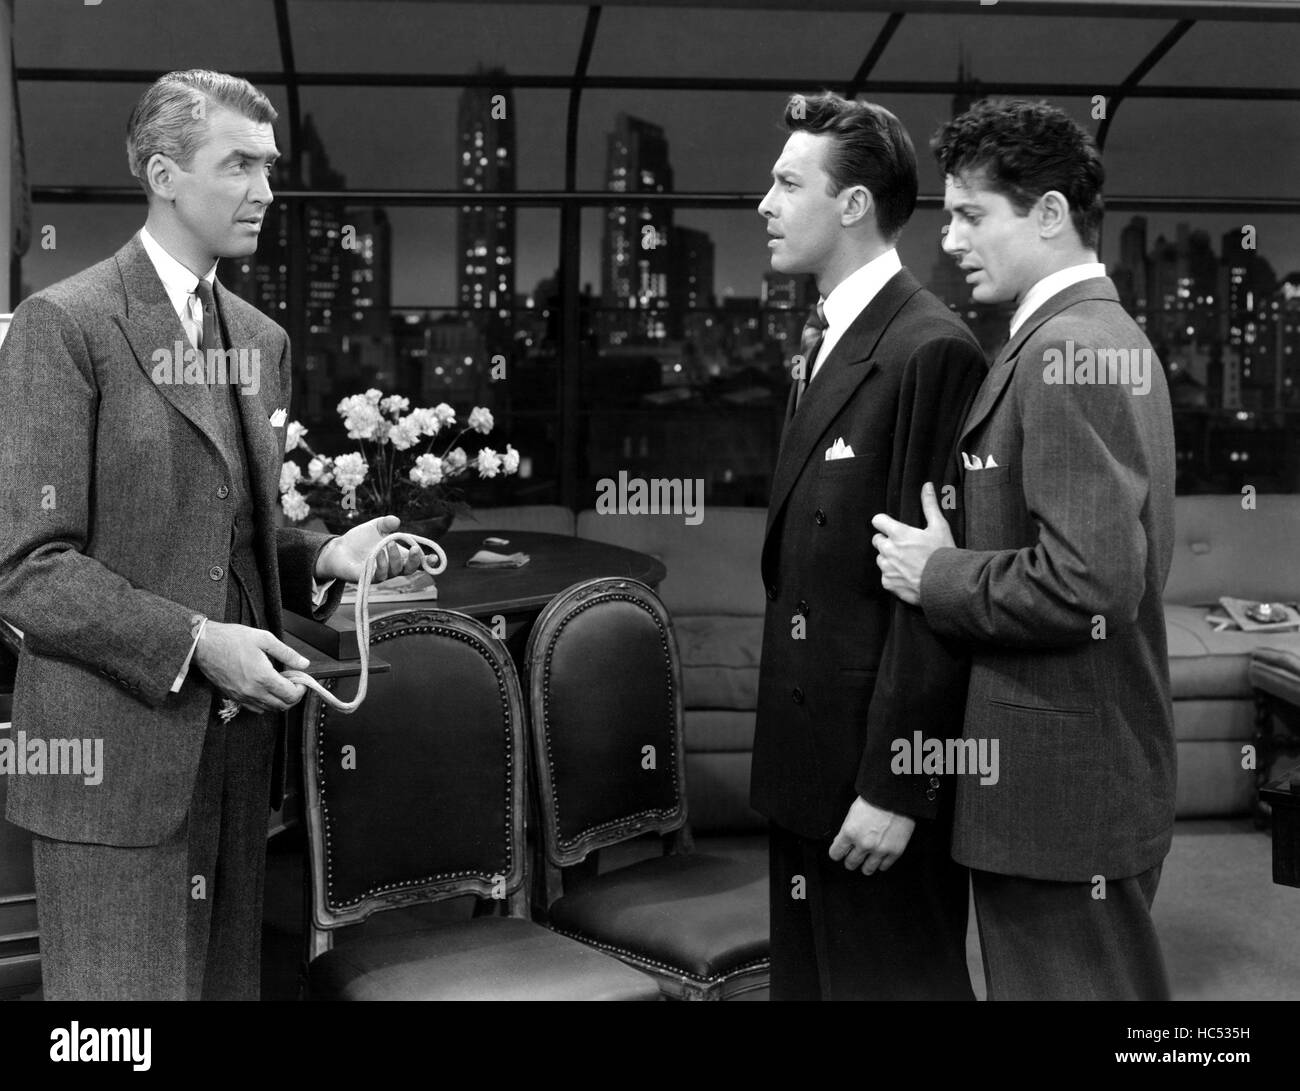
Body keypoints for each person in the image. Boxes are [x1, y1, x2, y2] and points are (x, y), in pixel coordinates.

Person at [0, 69, 425, 1000]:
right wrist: (197, 643)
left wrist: (323, 555)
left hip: (236, 763)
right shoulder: (63, 326)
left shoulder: (258, 339)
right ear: (162, 172)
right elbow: (30, 569)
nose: (266, 191)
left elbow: (234, 525)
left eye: (268, 168)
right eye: (240, 165)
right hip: (116, 766)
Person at [871, 98, 1176, 1000]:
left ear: (1047, 214)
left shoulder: (1066, 349)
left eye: (972, 214)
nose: (953, 239)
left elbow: (1091, 582)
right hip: (1074, 778)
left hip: (1061, 794)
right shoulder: (1083, 337)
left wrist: (938, 574)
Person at [749, 92, 986, 1000]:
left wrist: (898, 785)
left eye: (785, 183)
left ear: (852, 205)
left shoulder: (931, 348)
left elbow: (930, 590)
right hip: (805, 773)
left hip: (870, 788)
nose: (763, 204)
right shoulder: (824, 334)